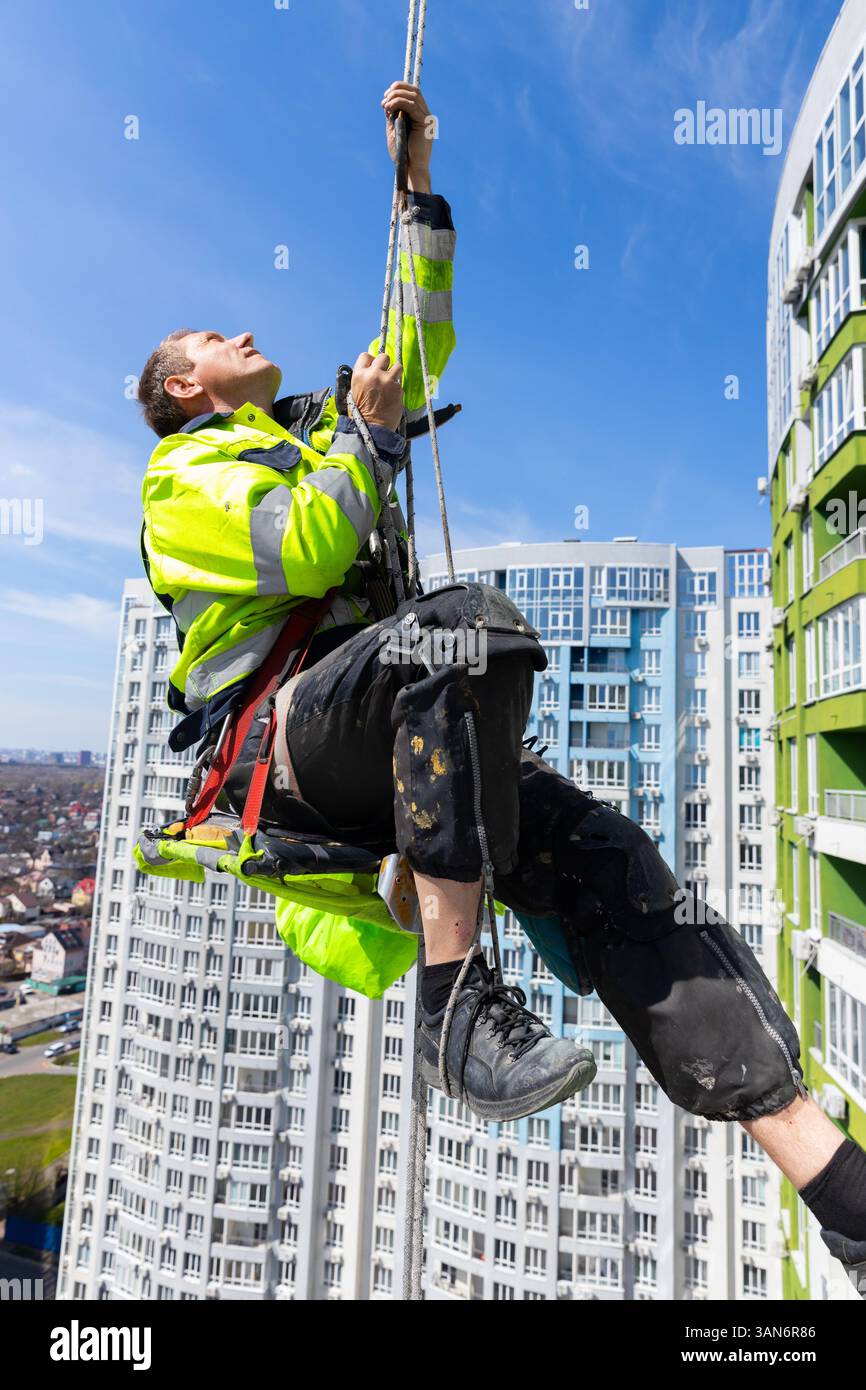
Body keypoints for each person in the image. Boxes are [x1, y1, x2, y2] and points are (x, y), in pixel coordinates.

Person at [138, 80, 866, 1288]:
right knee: (461, 635)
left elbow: (411, 351)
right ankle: (457, 1004)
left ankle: (836, 1188)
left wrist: (416, 193)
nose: (242, 334)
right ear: (181, 387)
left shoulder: (315, 432)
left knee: (613, 869)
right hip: (292, 751)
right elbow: (309, 548)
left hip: (396, 738)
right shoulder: (184, 484)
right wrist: (367, 446)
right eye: (215, 338)